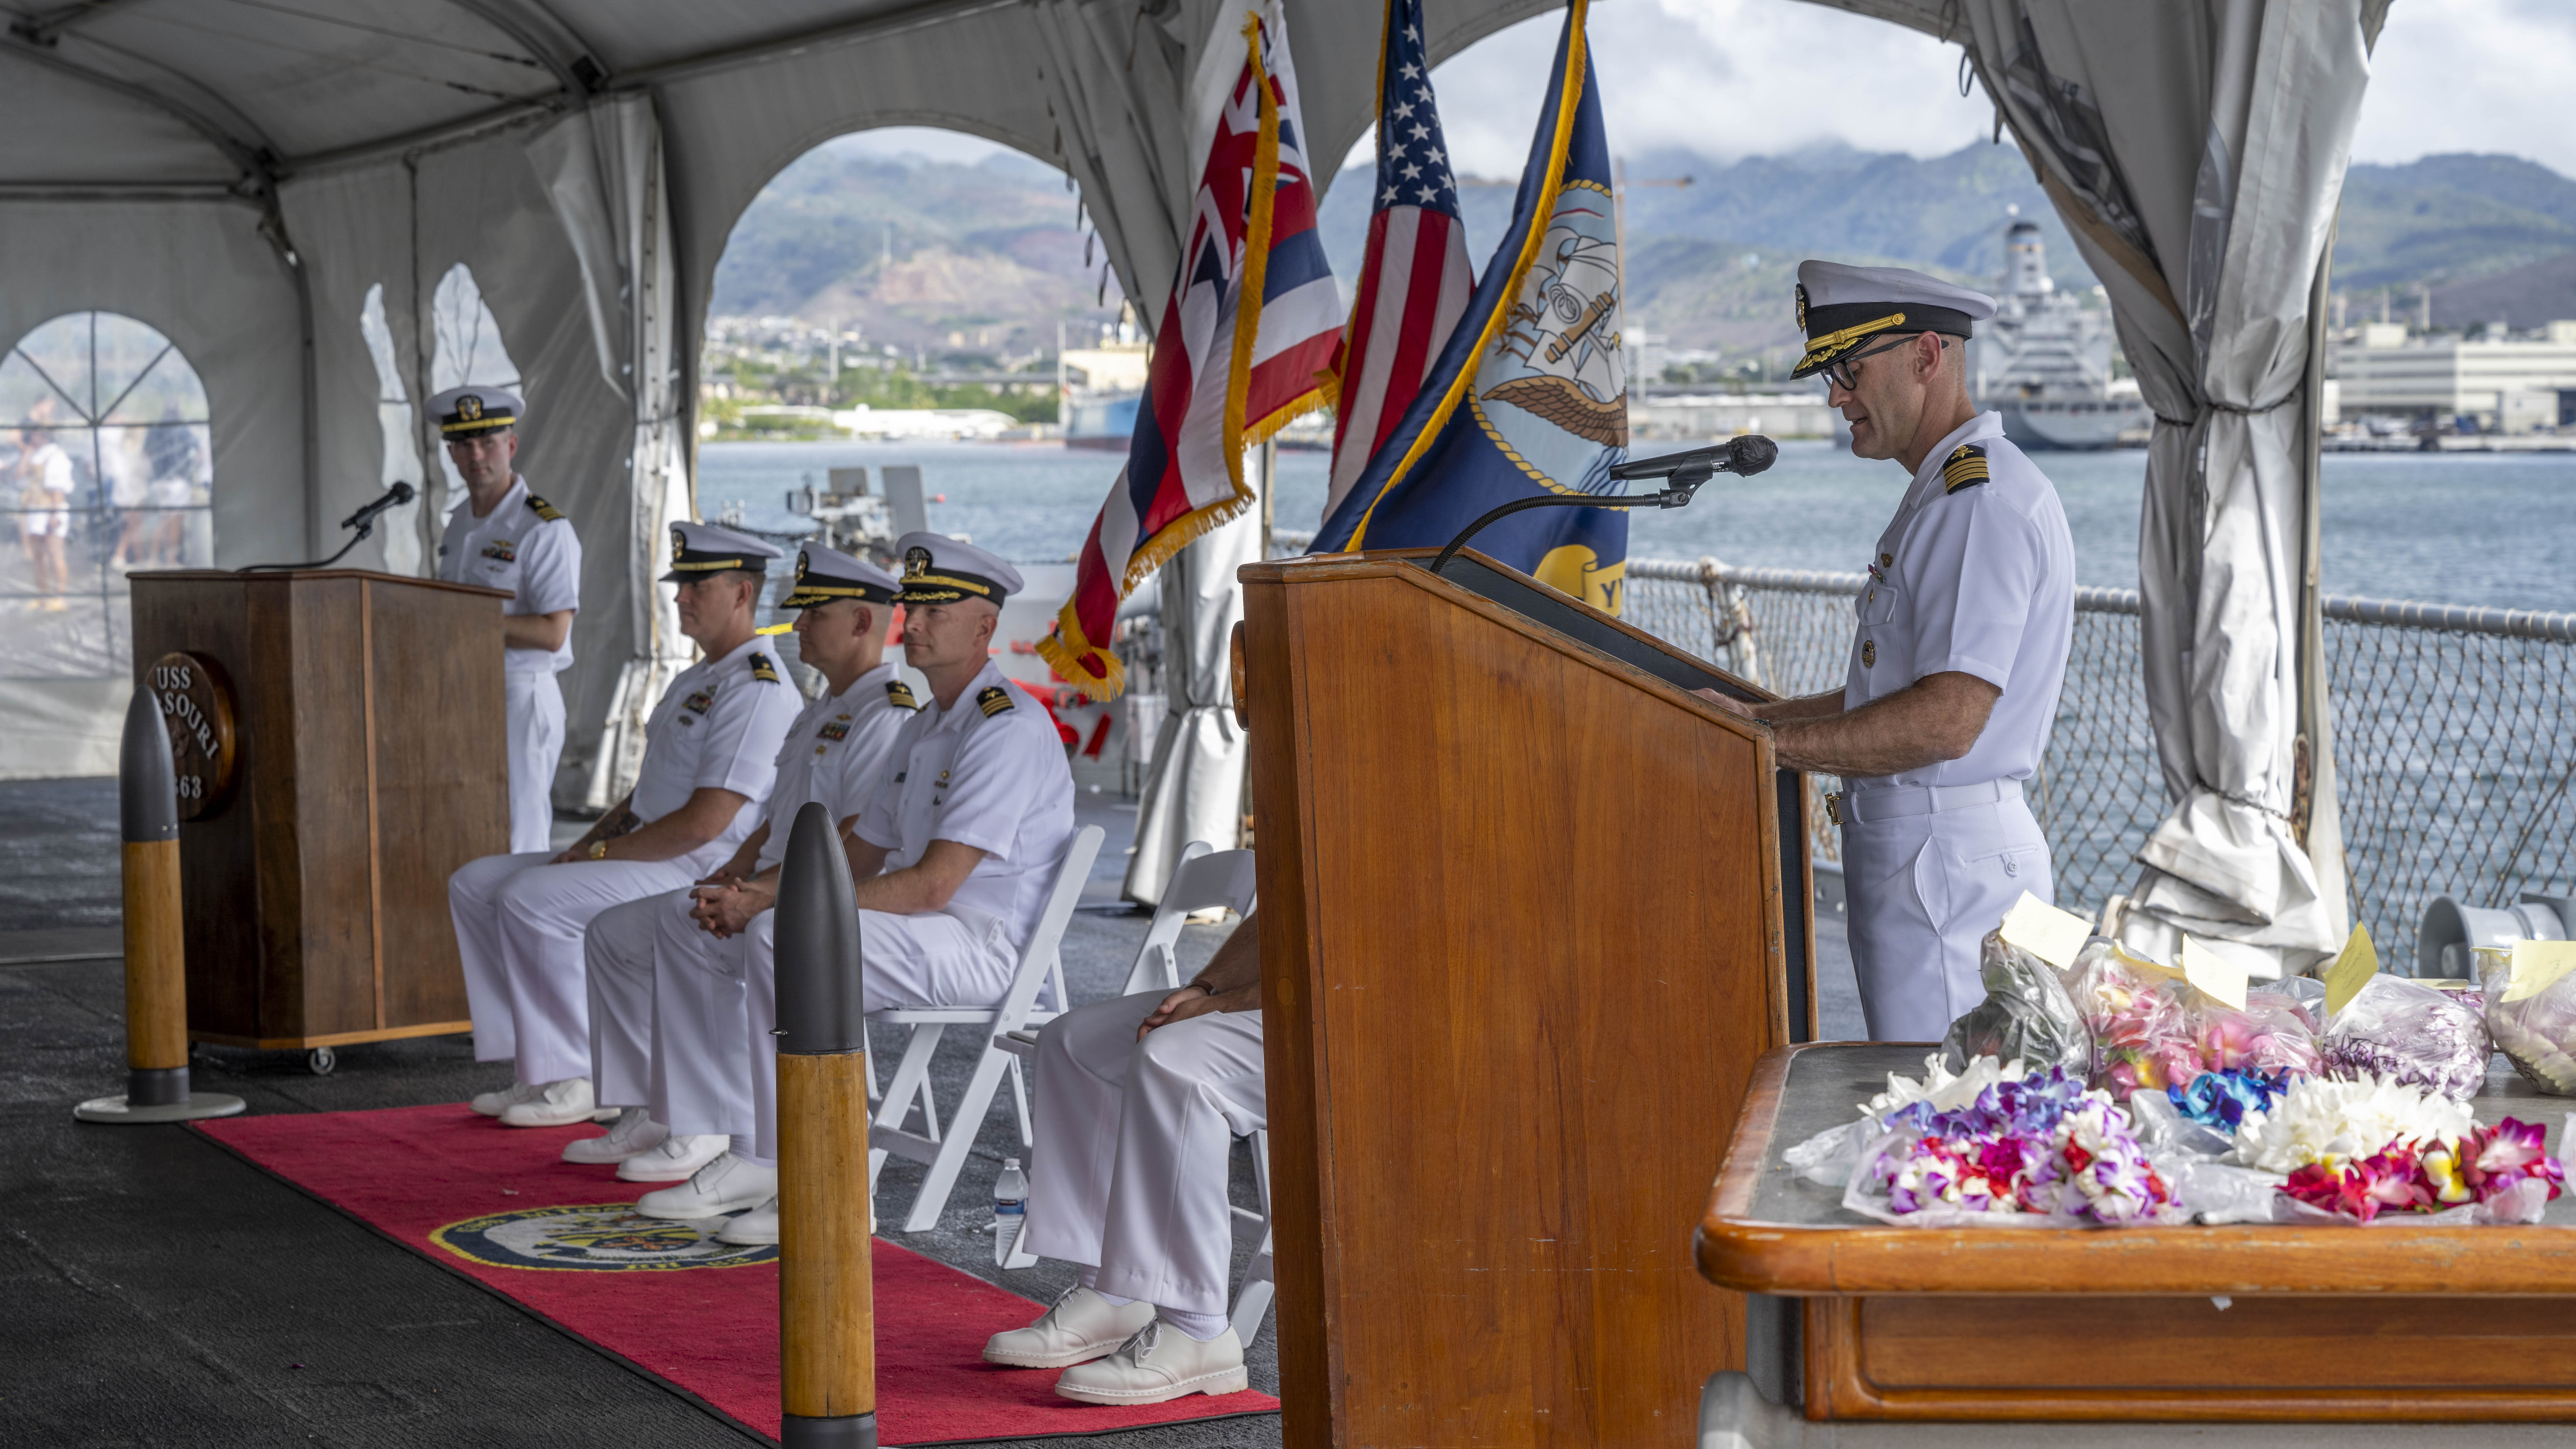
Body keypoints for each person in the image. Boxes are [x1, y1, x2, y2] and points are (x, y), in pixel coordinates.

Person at [631, 532, 1076, 1239]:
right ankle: (764, 1152)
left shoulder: (1006, 729)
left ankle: (822, 1184)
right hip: (930, 932)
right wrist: (757, 896)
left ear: (986, 627)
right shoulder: (929, 724)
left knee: (789, 939)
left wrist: (776, 902)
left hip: (982, 946)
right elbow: (863, 853)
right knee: (766, 933)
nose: (917, 623)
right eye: (914, 606)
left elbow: (933, 885)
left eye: (938, 609)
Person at [1697, 261, 2074, 1041]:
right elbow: (1895, 697)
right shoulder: (1949, 494)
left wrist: (1768, 747)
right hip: (1945, 863)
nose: (1835, 396)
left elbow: (1946, 722)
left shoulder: (1980, 502)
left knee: (1945, 1117)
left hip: (1948, 879)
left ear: (1927, 357)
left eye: (1849, 369)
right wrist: (1754, 719)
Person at [574, 543, 915, 1192]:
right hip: (775, 880)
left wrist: (759, 892)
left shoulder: (884, 712)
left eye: (814, 614)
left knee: (715, 933)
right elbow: (775, 814)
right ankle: (667, 1108)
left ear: (864, 623)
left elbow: (851, 837)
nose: (799, 626)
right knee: (631, 929)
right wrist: (734, 871)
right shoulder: (821, 705)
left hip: (827, 898)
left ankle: (728, 1132)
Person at [447, 522, 803, 1127]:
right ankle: (537, 1064)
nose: (680, 597)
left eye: (698, 586)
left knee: (531, 900)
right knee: (475, 883)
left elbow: (703, 821)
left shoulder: (757, 687)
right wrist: (586, 844)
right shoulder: (701, 677)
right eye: (679, 585)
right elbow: (648, 792)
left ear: (744, 594)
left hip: (697, 863)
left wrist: (601, 857)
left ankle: (578, 1072)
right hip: (651, 847)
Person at [988, 911, 1262, 1405]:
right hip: (1280, 994)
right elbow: (1281, 911)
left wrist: (1229, 1004)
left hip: (1371, 1009)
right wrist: (1208, 991)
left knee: (1175, 1061)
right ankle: (1112, 1294)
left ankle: (1198, 1327)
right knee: (1074, 1043)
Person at [429, 386, 581, 855]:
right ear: (451, 453)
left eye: (489, 442)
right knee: (468, 831)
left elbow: (555, 633)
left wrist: (472, 620)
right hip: (464, 691)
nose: (477, 454)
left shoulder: (544, 528)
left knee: (518, 836)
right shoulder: (458, 524)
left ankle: (526, 929)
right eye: (465, 445)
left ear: (511, 447)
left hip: (520, 695)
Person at [16, 422, 73, 611]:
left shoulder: (56, 456)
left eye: (35, 434)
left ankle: (60, 597)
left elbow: (57, 489)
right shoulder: (34, 455)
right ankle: (42, 595)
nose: (31, 438)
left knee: (55, 554)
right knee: (38, 555)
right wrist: (27, 453)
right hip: (35, 509)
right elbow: (19, 475)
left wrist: (55, 514)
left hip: (51, 509)